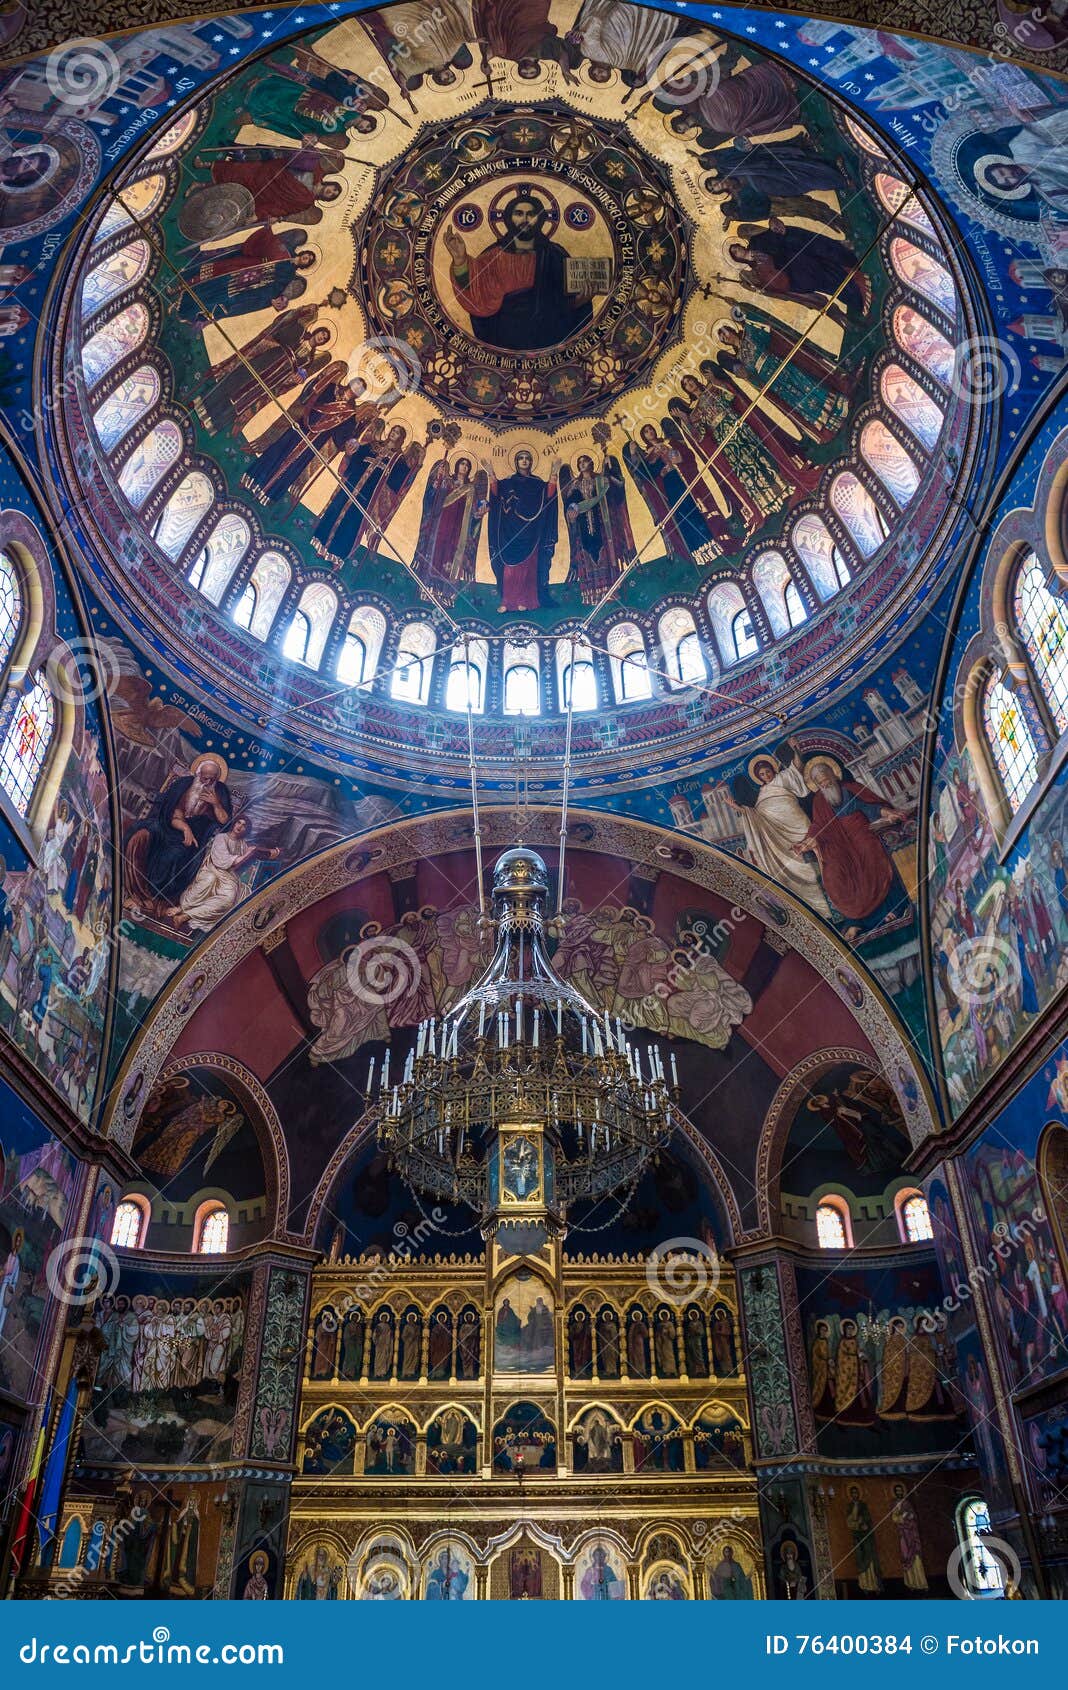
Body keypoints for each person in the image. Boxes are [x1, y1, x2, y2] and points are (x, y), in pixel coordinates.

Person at [444, 191, 595, 351]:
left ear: (540, 219)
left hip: (547, 340)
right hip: (503, 339)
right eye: (519, 214)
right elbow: (474, 293)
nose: (525, 219)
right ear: (509, 218)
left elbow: (565, 304)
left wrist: (579, 302)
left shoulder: (555, 255)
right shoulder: (492, 256)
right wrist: (460, 260)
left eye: (531, 214)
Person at [485, 450, 559, 611]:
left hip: (531, 531)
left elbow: (548, 496)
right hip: (509, 530)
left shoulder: (538, 483)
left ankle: (524, 600)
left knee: (528, 566)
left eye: (527, 459)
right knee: (509, 567)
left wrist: (553, 475)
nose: (524, 461)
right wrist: (491, 474)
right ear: (516, 462)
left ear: (531, 462)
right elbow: (497, 495)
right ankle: (506, 601)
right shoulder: (508, 483)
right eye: (521, 459)